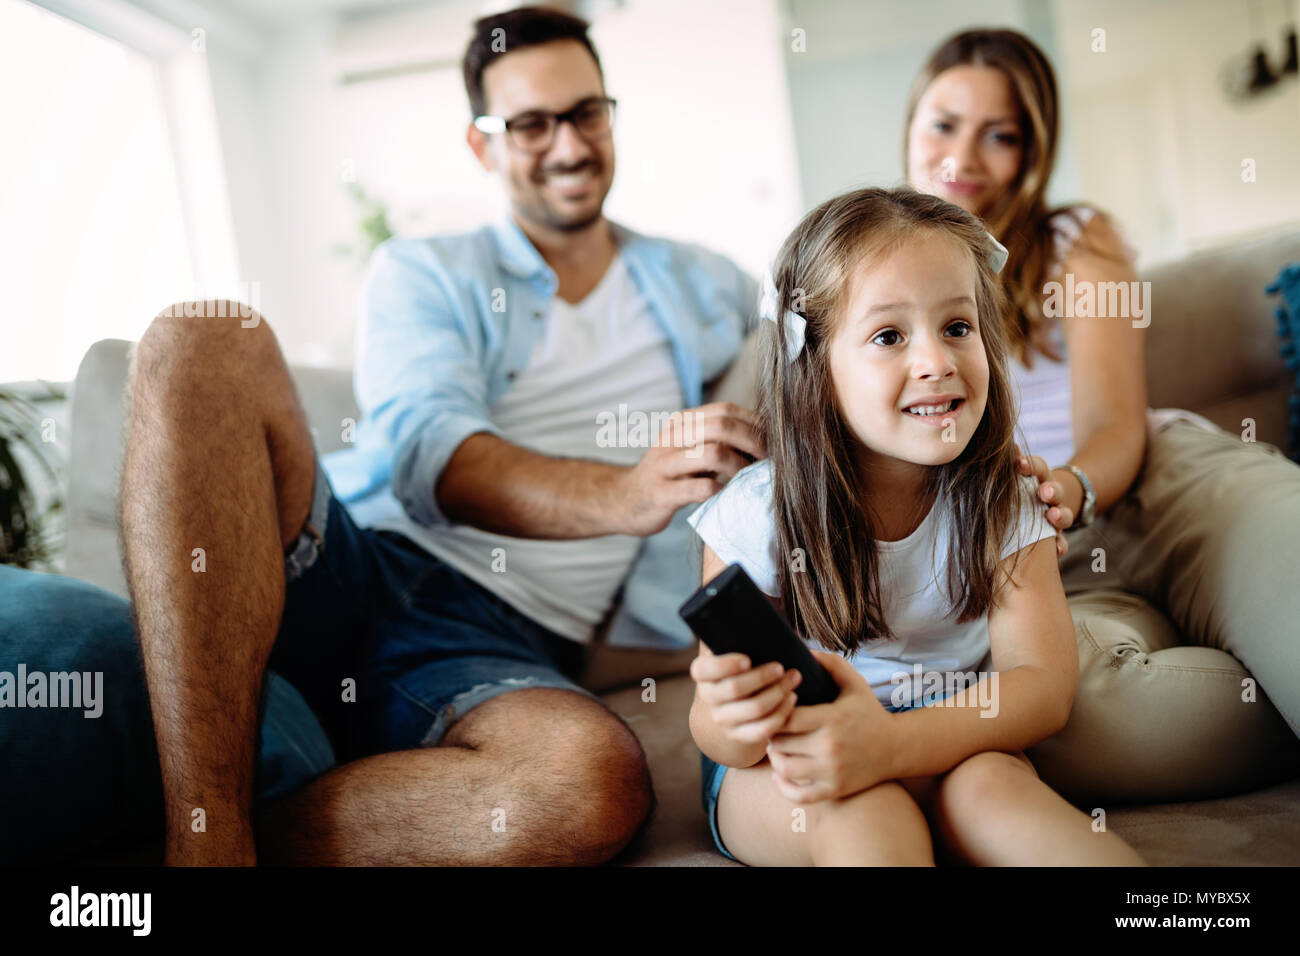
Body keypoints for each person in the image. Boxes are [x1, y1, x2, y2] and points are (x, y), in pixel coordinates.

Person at [0, 4, 763, 865]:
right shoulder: (429, 270)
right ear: (482, 145)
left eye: (587, 113)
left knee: (583, 787)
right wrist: (623, 493)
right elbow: (427, 458)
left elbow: (825, 329)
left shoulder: (703, 283)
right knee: (203, 336)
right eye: (530, 124)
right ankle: (203, 842)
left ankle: (211, 838)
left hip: (499, 644)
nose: (569, 145)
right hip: (358, 569)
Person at [686, 186, 1146, 865]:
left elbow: (1041, 686)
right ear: (817, 368)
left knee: (1001, 797)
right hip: (798, 759)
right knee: (869, 822)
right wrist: (730, 718)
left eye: (957, 327)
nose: (936, 361)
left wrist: (893, 745)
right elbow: (721, 733)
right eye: (888, 336)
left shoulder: (1005, 495)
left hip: (954, 738)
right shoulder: (759, 513)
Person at [902, 28, 1300, 802]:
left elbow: (1116, 423)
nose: (965, 156)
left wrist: (1072, 488)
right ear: (911, 126)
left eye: (1001, 135)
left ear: (1034, 151)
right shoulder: (874, 278)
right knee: (1071, 727)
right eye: (944, 123)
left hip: (1159, 485)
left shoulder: (1076, 242)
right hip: (1041, 563)